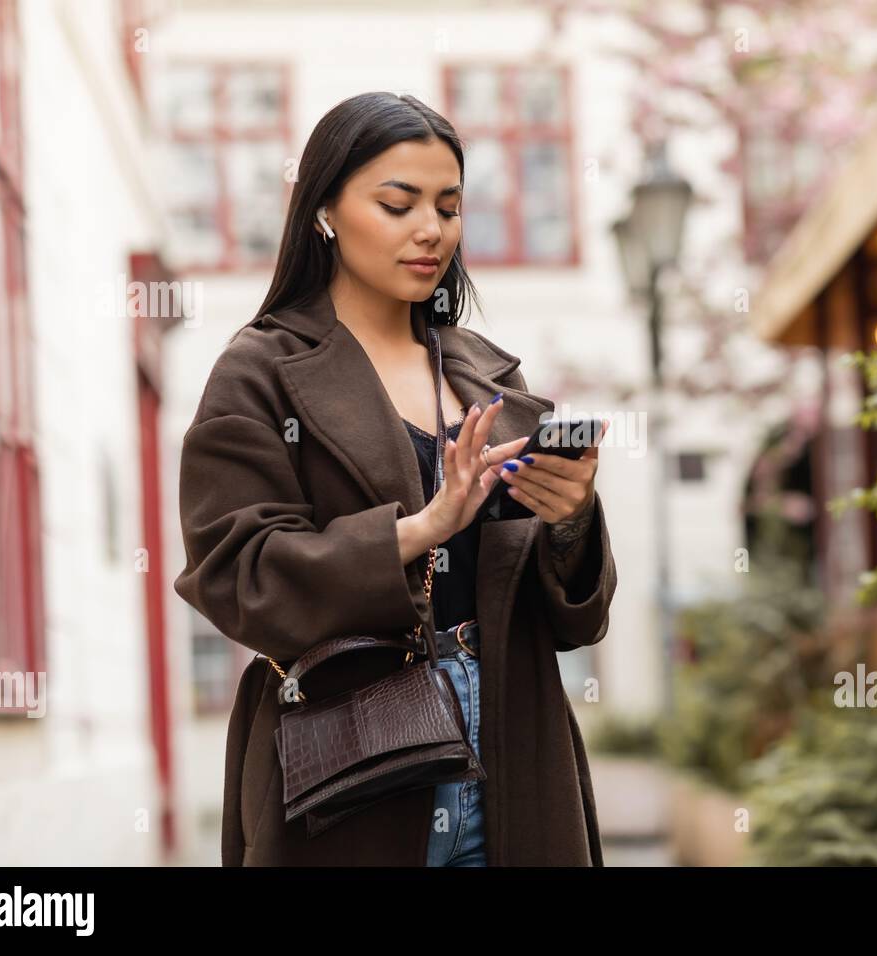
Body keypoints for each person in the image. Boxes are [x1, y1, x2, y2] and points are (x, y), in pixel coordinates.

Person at [172, 92, 616, 866]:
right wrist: (418, 531)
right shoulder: (260, 372)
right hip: (353, 766)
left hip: (514, 753)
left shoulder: (490, 378)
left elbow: (575, 621)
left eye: (448, 207)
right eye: (397, 203)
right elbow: (235, 575)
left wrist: (571, 516)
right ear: (325, 211)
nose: (430, 230)